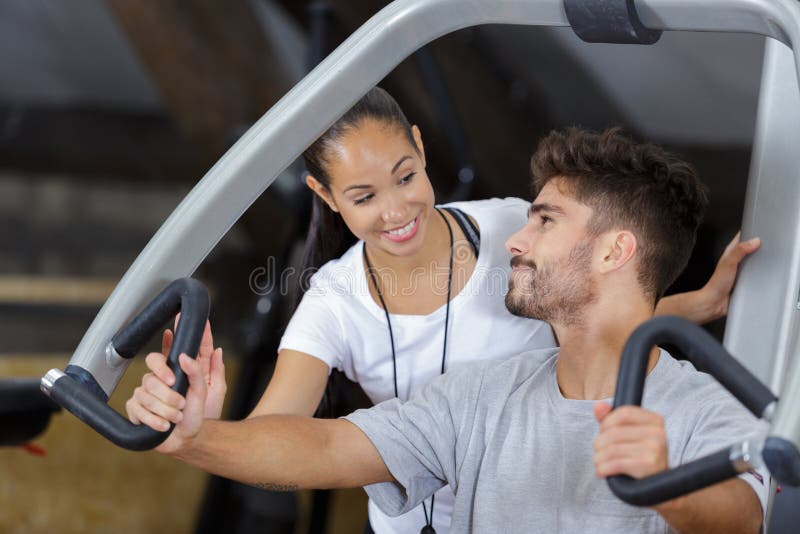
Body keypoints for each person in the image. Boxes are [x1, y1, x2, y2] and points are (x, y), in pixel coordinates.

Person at [126, 91, 759, 533]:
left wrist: (664, 479)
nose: (519, 239)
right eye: (364, 196)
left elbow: (746, 518)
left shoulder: (703, 409)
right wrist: (197, 438)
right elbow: (322, 446)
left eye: (543, 221)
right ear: (326, 196)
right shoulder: (470, 400)